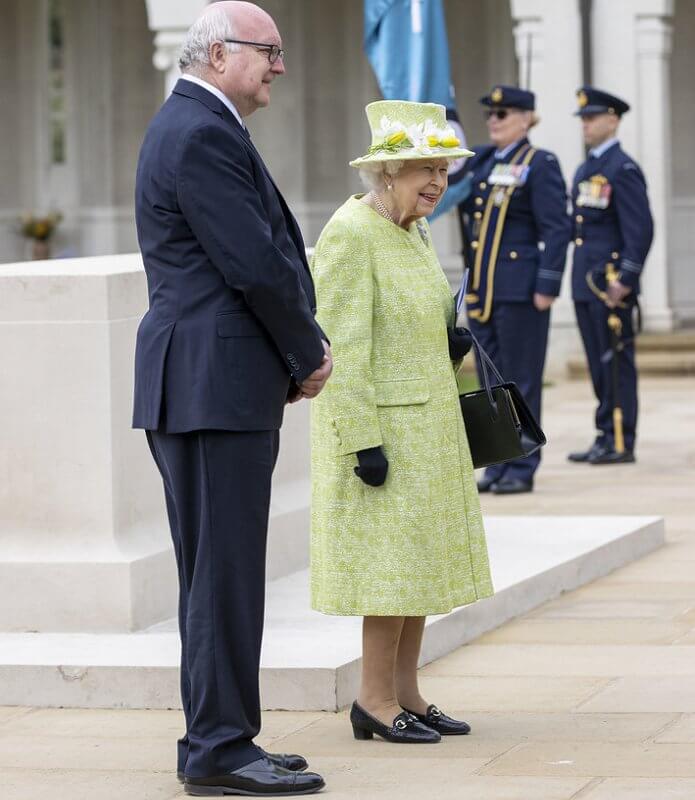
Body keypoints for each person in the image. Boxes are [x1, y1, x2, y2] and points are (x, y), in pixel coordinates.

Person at [132, 3, 330, 796]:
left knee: (223, 573)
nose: (279, 65)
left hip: (210, 383)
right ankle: (217, 749)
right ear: (219, 55)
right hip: (211, 385)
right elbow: (253, 263)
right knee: (221, 576)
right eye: (268, 51)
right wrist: (306, 349)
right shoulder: (201, 131)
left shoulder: (195, 124)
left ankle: (226, 736)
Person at [310, 99, 494, 744]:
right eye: (424, 169)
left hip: (430, 427)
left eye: (442, 169)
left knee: (418, 567)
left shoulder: (411, 230)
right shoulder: (351, 233)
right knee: (388, 572)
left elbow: (405, 320)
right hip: (385, 431)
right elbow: (343, 345)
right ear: (386, 174)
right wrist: (362, 441)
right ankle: (372, 700)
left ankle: (407, 693)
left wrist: (444, 344)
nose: (438, 182)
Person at [458, 86, 571, 495]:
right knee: (490, 381)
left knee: (520, 380)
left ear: (526, 118)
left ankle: (523, 467)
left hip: (520, 291)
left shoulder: (540, 164)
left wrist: (548, 285)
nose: (493, 120)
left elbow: (558, 229)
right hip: (484, 289)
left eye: (502, 114)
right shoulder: (486, 160)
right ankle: (499, 464)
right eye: (490, 114)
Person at [567, 86, 653, 465]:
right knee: (597, 362)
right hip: (587, 283)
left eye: (593, 117)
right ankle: (604, 433)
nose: (586, 124)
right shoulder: (587, 168)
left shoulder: (623, 168)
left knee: (615, 362)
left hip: (611, 285)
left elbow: (640, 230)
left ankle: (621, 439)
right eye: (583, 118)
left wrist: (626, 281)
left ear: (613, 120)